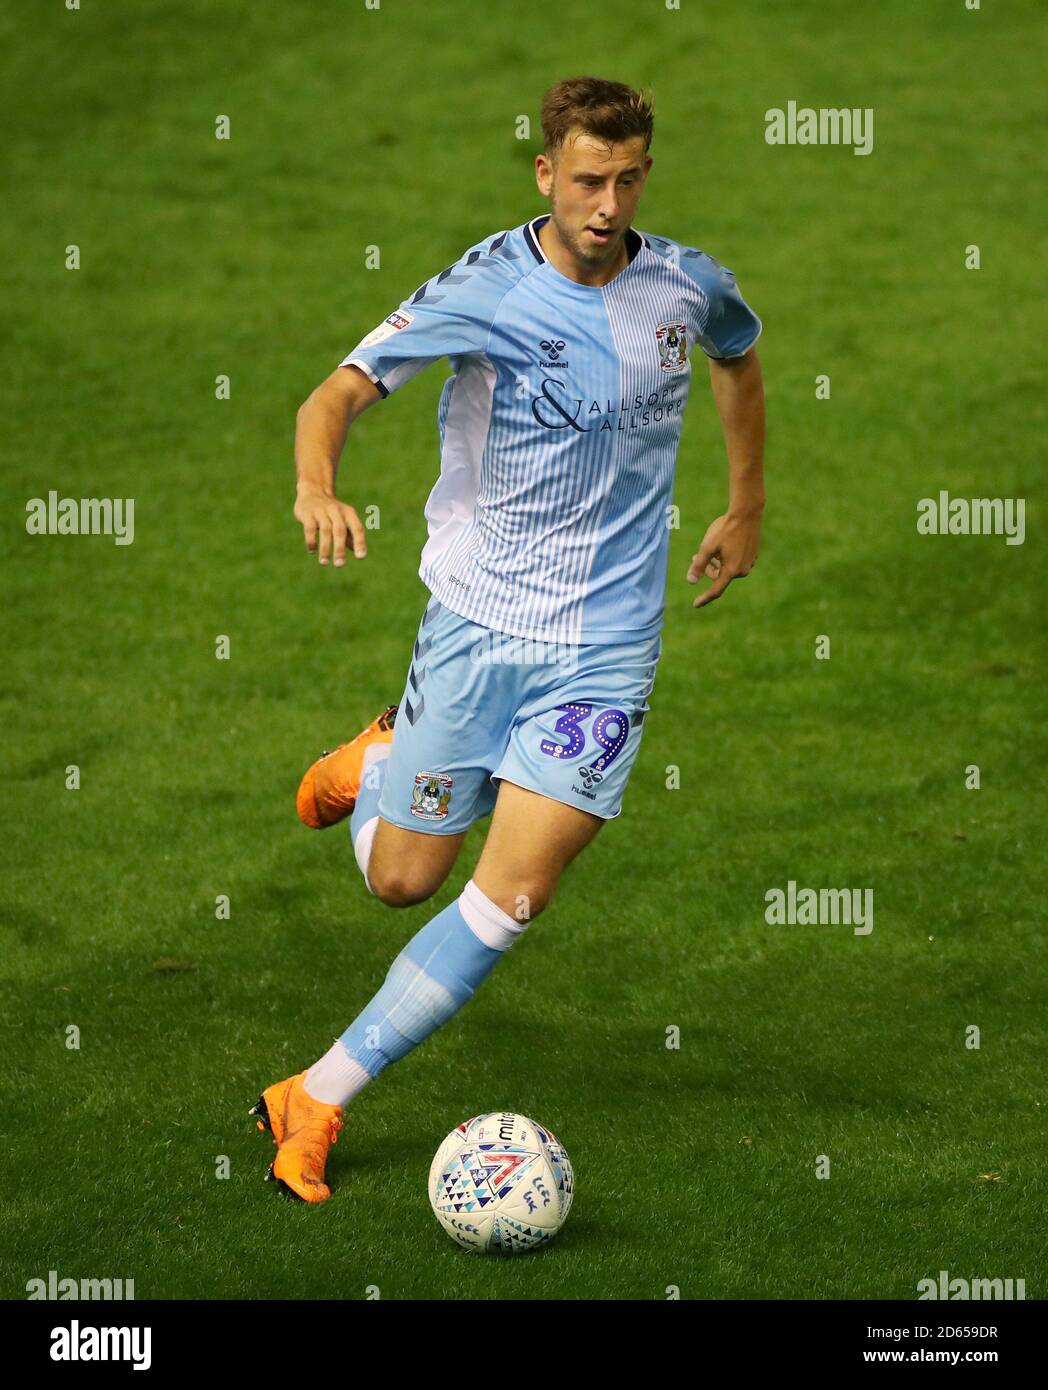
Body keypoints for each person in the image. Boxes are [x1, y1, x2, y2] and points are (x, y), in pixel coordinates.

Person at [252, 75, 766, 1202]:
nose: (606, 201)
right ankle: (385, 760)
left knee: (509, 898)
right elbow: (331, 394)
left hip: (607, 649)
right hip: (478, 628)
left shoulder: (684, 286)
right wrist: (314, 485)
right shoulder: (485, 286)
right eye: (587, 178)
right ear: (546, 174)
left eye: (628, 179)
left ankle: (317, 1094)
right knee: (401, 879)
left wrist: (745, 503)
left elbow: (736, 354)